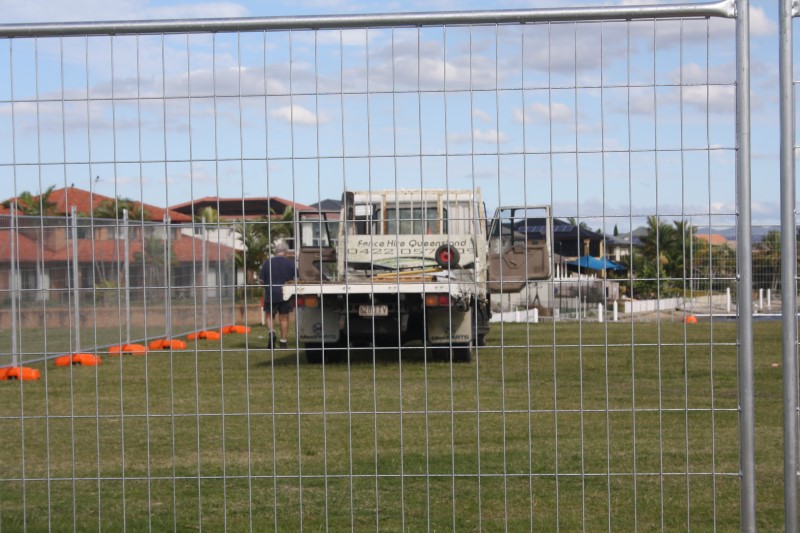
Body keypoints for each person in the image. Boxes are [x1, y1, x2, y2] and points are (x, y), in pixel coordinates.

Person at [258, 240, 296, 349]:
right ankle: (283, 341)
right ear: (286, 252)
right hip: (285, 293)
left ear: (276, 251)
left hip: (270, 293)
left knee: (269, 316)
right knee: (284, 318)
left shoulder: (267, 263)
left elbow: (261, 281)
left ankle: (271, 332)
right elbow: (296, 279)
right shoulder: (290, 263)